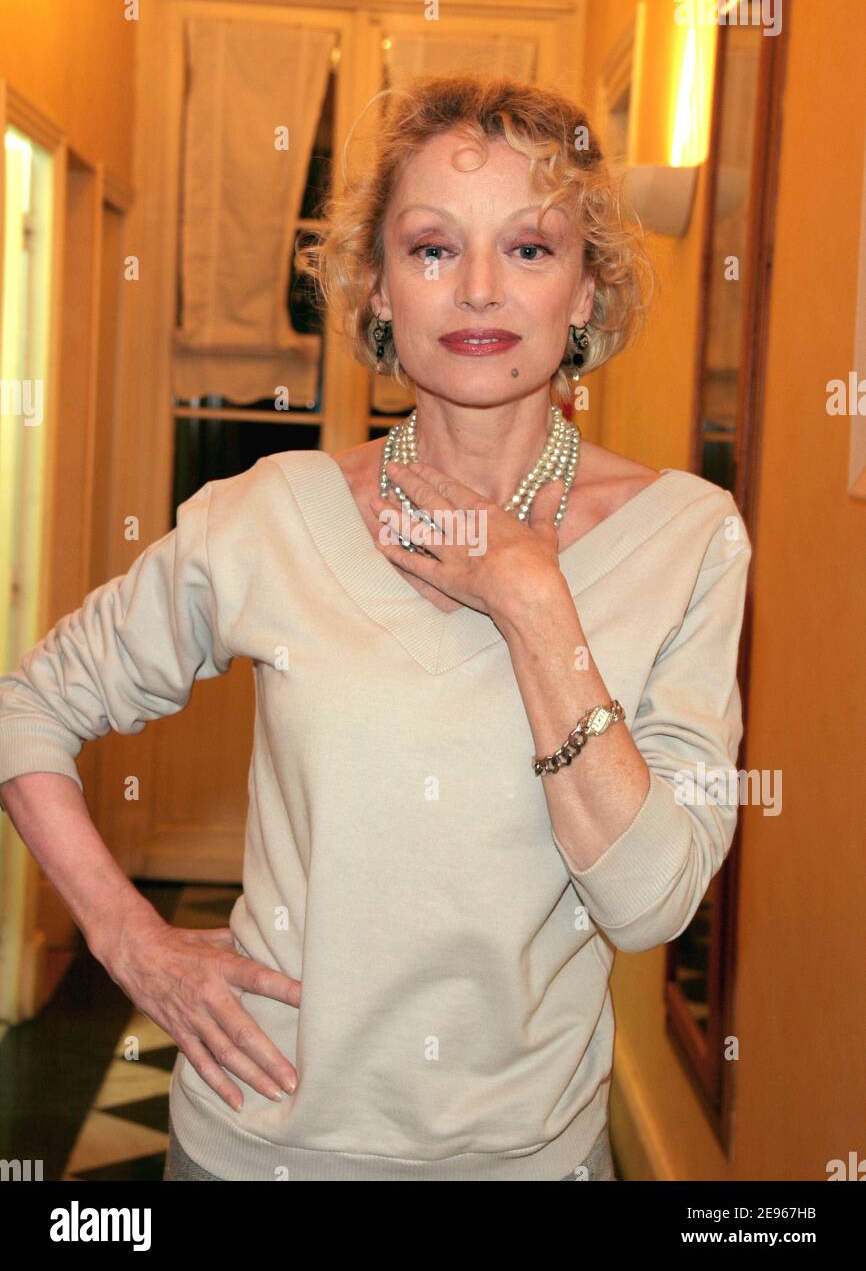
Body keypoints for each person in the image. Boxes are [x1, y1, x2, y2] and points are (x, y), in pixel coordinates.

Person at [0, 73, 751, 1182]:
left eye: (531, 249)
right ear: (378, 289)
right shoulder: (268, 514)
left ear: (586, 290)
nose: (480, 289)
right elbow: (30, 707)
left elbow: (650, 902)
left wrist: (534, 605)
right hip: (261, 1142)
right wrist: (129, 940)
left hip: (531, 1158)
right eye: (433, 248)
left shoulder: (687, 537)